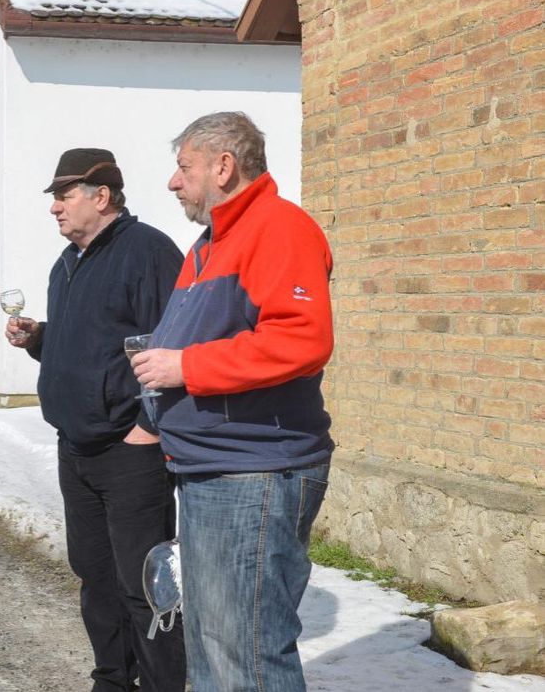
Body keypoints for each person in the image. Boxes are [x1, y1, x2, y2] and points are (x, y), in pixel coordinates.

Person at [132, 112, 334, 692]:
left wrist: (185, 367)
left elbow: (301, 340)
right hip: (215, 469)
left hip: (254, 472)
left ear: (224, 166)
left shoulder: (278, 228)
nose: (174, 182)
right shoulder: (210, 244)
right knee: (213, 650)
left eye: (184, 167)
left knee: (244, 656)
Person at [7, 148, 186, 692]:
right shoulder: (67, 263)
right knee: (96, 578)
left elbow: (173, 346)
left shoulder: (148, 252)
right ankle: (112, 680)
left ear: (101, 196)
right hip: (77, 448)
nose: (54, 208)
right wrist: (39, 338)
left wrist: (148, 428)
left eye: (64, 196)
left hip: (131, 451)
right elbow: (91, 347)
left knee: (145, 585)